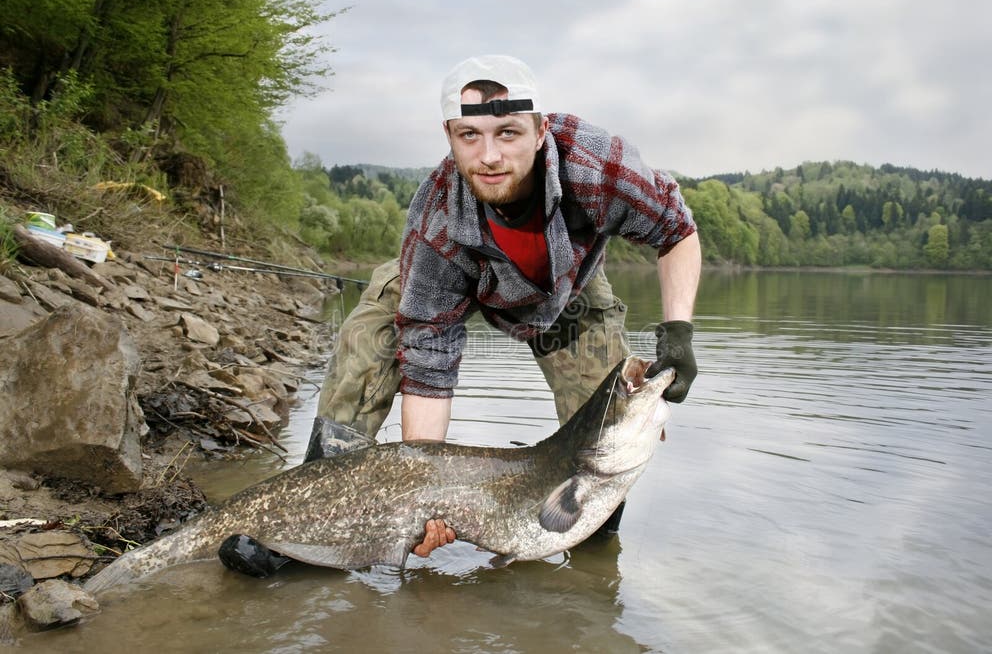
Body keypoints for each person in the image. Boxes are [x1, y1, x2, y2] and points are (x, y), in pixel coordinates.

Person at [219, 55, 700, 576]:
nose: (488, 155)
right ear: (449, 134)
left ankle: (590, 536)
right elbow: (429, 359)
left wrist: (677, 334)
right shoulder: (436, 220)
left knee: (608, 421)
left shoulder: (599, 167)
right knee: (370, 338)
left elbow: (676, 232)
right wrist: (420, 499)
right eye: (469, 135)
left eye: (507, 132)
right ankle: (311, 518)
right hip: (449, 281)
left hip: (567, 293)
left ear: (541, 131)